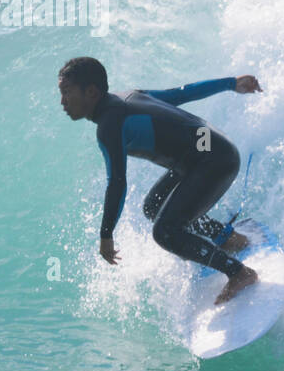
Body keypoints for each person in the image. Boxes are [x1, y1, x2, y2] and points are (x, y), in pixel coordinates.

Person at [58, 56, 263, 304]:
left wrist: (106, 234)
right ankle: (228, 238)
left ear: (90, 92)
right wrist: (231, 83)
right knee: (154, 207)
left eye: (67, 93)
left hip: (215, 159)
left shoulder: (109, 126)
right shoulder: (129, 96)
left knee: (165, 232)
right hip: (209, 147)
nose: (63, 102)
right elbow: (180, 94)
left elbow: (117, 182)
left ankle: (239, 272)